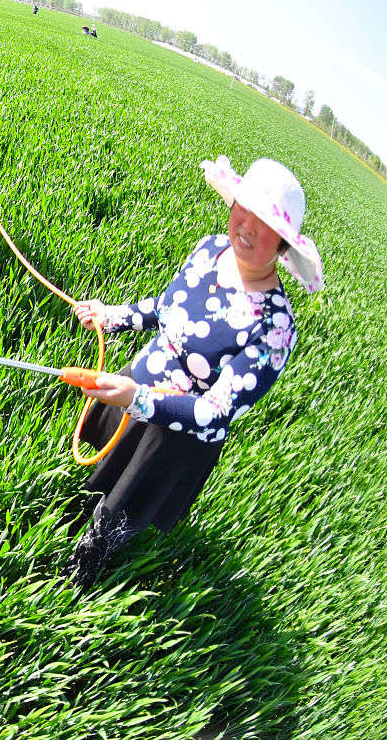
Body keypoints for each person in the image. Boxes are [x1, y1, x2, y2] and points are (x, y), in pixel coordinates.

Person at [62, 156, 325, 588]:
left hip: (172, 437)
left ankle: (74, 586)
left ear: (283, 246)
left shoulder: (274, 328)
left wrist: (138, 399)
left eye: (265, 225)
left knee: (112, 519)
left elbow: (216, 412)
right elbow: (167, 309)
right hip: (135, 385)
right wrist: (111, 316)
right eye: (244, 209)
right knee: (94, 484)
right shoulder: (210, 248)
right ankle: (63, 526)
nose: (247, 227)